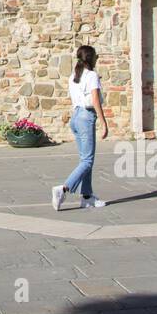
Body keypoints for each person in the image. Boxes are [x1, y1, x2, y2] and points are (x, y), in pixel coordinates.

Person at [53, 45, 108, 211]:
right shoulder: (91, 75)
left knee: (85, 160)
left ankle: (87, 196)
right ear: (91, 58)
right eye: (96, 56)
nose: (97, 58)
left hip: (76, 116)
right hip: (85, 116)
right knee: (87, 160)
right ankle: (63, 189)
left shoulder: (73, 76)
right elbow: (95, 99)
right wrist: (103, 121)